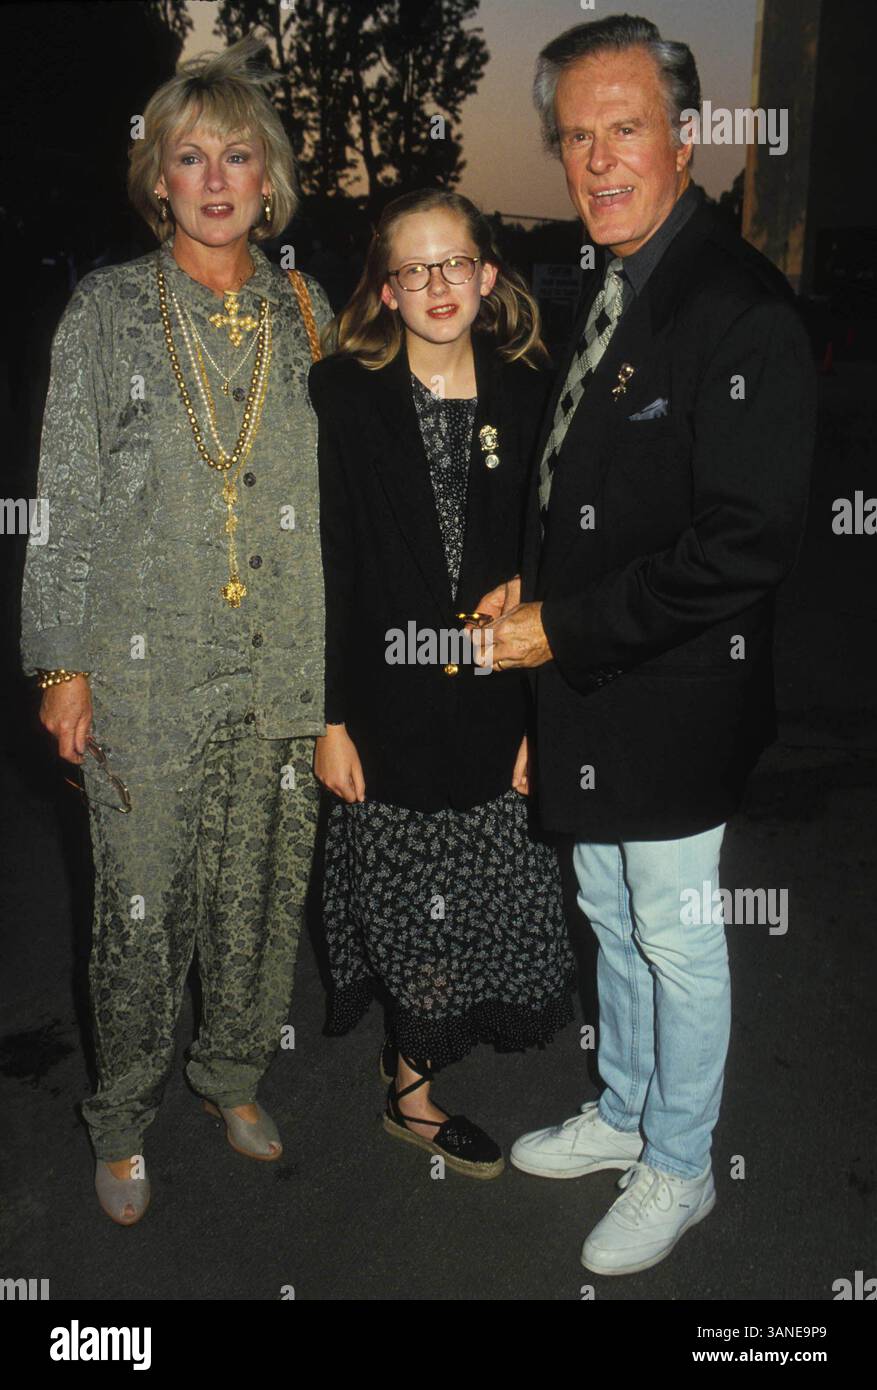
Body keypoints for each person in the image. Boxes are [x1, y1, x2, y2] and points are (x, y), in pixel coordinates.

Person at [473, 14, 815, 1270]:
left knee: (673, 931)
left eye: (626, 130)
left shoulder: (735, 305)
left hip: (675, 691)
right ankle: (624, 1113)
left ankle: (683, 1164)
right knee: (609, 914)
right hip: (596, 679)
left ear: (684, 136)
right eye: (576, 137)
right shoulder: (618, 275)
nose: (598, 160)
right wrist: (542, 576)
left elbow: (741, 546)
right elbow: (601, 474)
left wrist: (555, 621)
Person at [19, 36, 332, 1225]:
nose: (212, 178)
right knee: (141, 905)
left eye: (235, 155)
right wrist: (63, 664)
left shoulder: (307, 308)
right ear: (157, 178)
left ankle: (233, 1072)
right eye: (187, 156)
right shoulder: (103, 312)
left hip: (284, 660)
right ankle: (121, 1114)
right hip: (141, 668)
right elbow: (67, 498)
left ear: (268, 178)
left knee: (262, 894)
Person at [308, 189, 577, 1179]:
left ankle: (410, 1054)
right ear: (386, 288)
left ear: (488, 276)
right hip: (385, 704)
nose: (435, 285)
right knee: (413, 901)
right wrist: (329, 718)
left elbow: (550, 556)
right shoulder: (342, 394)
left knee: (469, 901)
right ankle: (411, 1099)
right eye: (412, 269)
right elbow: (332, 566)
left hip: (494, 699)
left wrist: (536, 719)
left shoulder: (526, 387)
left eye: (453, 263)